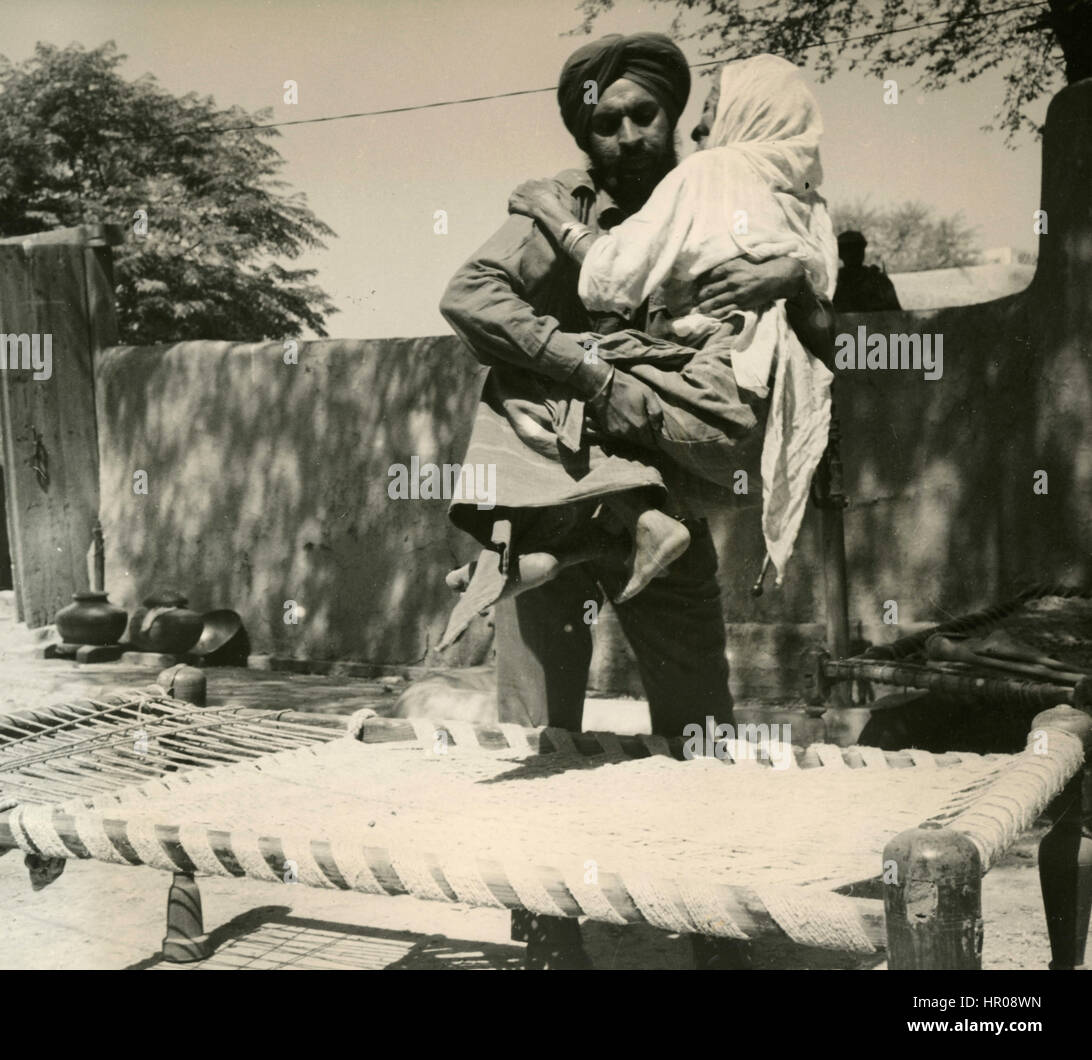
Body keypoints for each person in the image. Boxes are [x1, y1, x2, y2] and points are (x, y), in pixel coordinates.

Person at [438, 32, 836, 969]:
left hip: (671, 510)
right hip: (564, 503)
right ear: (585, 130)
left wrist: (796, 274)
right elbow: (472, 297)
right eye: (603, 121)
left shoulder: (722, 188)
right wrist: (588, 373)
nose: (624, 134)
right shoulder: (561, 211)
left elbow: (818, 337)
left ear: (672, 113)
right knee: (543, 731)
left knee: (698, 717)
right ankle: (548, 942)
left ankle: (717, 933)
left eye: (642, 114)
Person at [503, 54, 838, 606]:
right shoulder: (808, 201)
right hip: (769, 443)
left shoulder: (712, 170)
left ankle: (564, 540)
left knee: (530, 371)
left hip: (713, 398)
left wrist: (553, 215)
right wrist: (794, 276)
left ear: (746, 112)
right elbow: (826, 336)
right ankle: (568, 555)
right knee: (634, 468)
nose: (702, 127)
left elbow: (608, 279)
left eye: (713, 108)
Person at [833, 230, 901, 311]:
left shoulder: (879, 280)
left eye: (857, 248)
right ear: (840, 253)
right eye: (848, 249)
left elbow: (897, 314)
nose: (853, 253)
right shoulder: (832, 283)